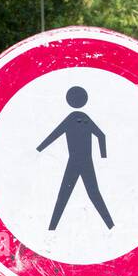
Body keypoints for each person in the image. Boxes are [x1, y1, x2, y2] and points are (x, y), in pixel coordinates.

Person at [36, 86, 114, 230]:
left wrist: (39, 149)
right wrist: (103, 155)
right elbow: (101, 136)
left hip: (76, 161)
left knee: (67, 194)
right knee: (89, 193)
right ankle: (110, 226)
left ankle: (52, 228)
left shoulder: (73, 118)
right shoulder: (83, 118)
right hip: (83, 161)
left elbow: (54, 135)